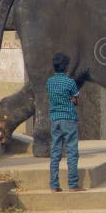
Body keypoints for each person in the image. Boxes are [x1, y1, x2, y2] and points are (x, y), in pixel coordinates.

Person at [46, 52, 84, 193]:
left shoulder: (49, 82)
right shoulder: (70, 82)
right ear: (67, 67)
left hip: (55, 119)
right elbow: (75, 99)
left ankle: (54, 185)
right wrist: (72, 100)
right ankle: (73, 184)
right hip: (69, 118)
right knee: (72, 151)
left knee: (55, 152)